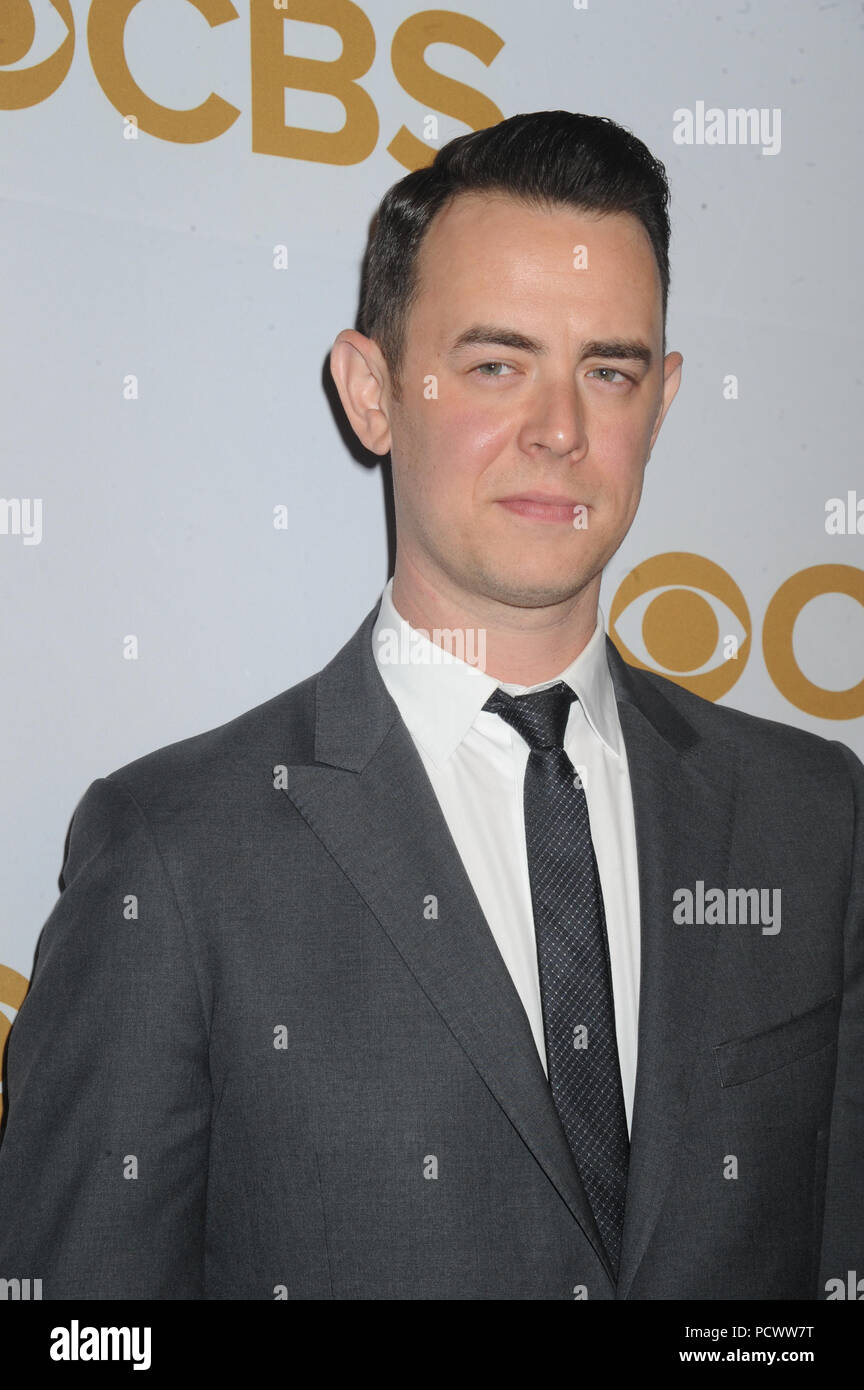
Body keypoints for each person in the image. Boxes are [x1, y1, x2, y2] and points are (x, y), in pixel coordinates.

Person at [0, 111, 861, 1300]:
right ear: (371, 391)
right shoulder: (177, 854)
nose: (562, 431)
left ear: (660, 401)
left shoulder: (814, 823)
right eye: (498, 364)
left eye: (607, 370)